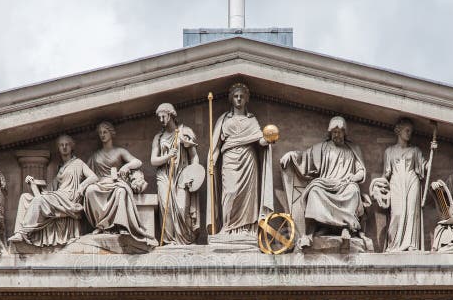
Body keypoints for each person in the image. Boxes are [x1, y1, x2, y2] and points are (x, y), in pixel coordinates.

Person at [280, 116, 367, 246]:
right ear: (330, 133)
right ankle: (309, 234)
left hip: (344, 184)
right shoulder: (322, 148)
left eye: (339, 132)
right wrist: (291, 155)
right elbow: (305, 157)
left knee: (353, 190)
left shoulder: (353, 149)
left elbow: (361, 171)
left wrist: (354, 177)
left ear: (344, 133)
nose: (336, 135)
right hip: (325, 183)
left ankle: (346, 228)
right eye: (334, 132)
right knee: (314, 191)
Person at [207, 82, 272, 237]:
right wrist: (212, 161)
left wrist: (268, 139)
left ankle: (246, 229)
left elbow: (259, 140)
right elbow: (215, 145)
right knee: (230, 193)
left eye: (242, 96)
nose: (238, 99)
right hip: (229, 159)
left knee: (247, 198)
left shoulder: (252, 120)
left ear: (246, 99)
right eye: (236, 96)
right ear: (231, 98)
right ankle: (227, 228)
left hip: (248, 160)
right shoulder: (224, 120)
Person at [9, 134, 96, 247]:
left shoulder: (78, 163)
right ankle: (18, 232)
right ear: (58, 148)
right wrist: (32, 183)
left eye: (67, 144)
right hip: (58, 196)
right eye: (61, 145)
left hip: (68, 198)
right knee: (25, 197)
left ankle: (24, 232)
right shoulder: (61, 168)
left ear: (72, 147)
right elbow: (46, 191)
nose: (64, 147)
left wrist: (82, 186)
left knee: (40, 200)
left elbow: (94, 177)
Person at [84, 121, 155, 246]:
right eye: (100, 133)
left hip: (116, 182)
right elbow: (88, 173)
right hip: (100, 184)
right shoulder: (95, 156)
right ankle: (101, 226)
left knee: (121, 191)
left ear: (111, 133)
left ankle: (121, 225)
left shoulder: (119, 151)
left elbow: (138, 162)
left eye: (105, 132)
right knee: (90, 191)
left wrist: (126, 166)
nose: (102, 135)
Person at [150, 103, 202, 245]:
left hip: (182, 175)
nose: (161, 120)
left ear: (171, 115)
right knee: (165, 207)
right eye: (159, 117)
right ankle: (169, 241)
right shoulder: (158, 137)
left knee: (181, 207)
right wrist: (168, 156)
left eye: (163, 116)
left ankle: (184, 241)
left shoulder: (185, 132)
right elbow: (153, 161)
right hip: (164, 176)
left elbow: (194, 156)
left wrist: (193, 174)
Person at [382, 118, 437, 251]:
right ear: (399, 131)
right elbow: (385, 175)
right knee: (397, 213)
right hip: (396, 182)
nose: (409, 133)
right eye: (407, 130)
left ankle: (410, 244)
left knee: (412, 213)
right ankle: (394, 245)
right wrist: (379, 188)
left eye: (411, 131)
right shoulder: (389, 151)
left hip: (412, 181)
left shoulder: (415, 151)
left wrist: (433, 152)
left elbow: (426, 167)